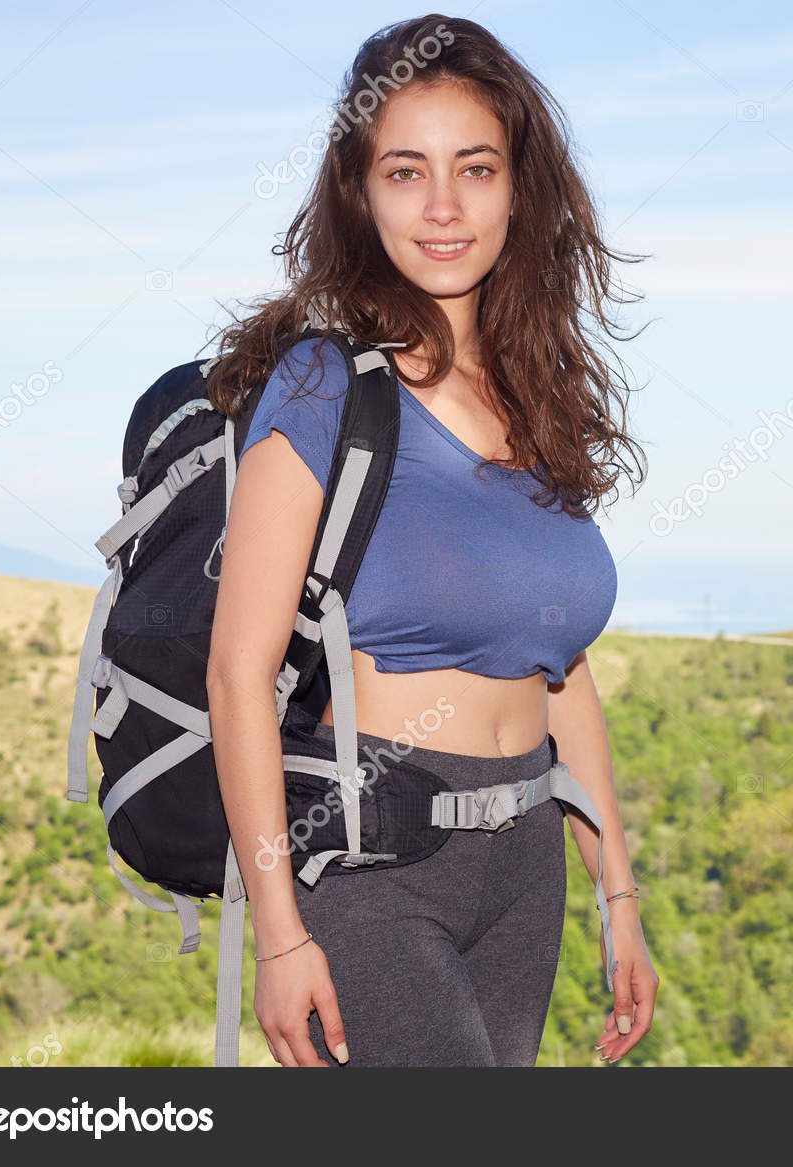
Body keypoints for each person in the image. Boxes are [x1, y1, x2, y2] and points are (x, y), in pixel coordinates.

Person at [203, 14, 656, 1067]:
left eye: (475, 168)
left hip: (524, 868)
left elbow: (561, 672)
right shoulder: (324, 386)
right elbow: (239, 672)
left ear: (518, 191)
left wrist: (615, 891)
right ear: (361, 194)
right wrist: (280, 935)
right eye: (405, 172)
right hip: (373, 863)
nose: (443, 206)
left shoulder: (540, 397)